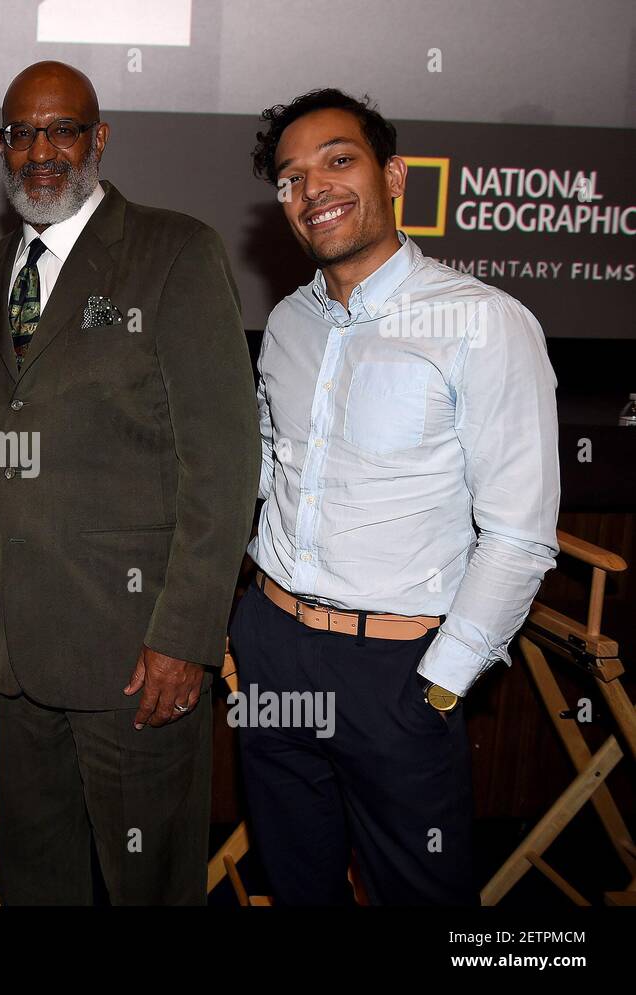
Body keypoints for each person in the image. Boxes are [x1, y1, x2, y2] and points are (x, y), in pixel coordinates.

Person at [236, 88, 560, 905]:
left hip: (399, 671)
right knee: (293, 882)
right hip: (274, 646)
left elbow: (519, 536)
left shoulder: (485, 324)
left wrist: (440, 684)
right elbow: (270, 475)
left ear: (393, 175)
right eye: (292, 177)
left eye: (338, 161)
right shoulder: (285, 324)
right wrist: (243, 630)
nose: (315, 190)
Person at [0, 61, 260, 905]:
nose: (43, 150)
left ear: (100, 139)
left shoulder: (175, 251)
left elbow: (225, 458)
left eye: (64, 130)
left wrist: (187, 636)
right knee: (39, 885)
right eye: (24, 133)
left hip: (136, 656)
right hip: (16, 656)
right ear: (1, 146)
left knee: (149, 887)